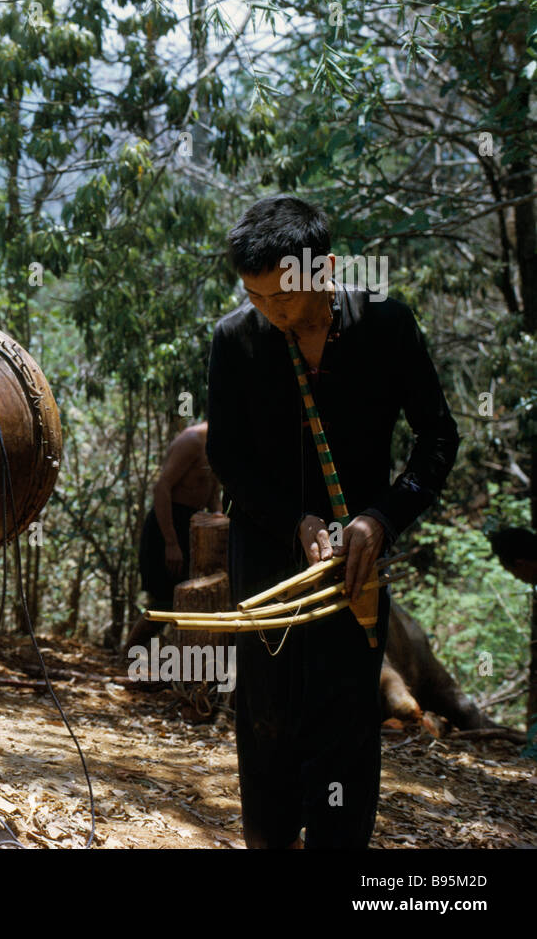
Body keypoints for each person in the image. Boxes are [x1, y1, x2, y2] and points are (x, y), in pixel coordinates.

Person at [206, 195, 458, 848]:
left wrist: (381, 518)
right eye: (256, 297)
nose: (272, 313)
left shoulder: (387, 327)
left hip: (356, 567)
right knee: (266, 721)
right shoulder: (235, 340)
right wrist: (294, 518)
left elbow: (437, 439)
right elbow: (226, 457)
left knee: (347, 724)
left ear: (326, 272)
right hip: (266, 558)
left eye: (283, 299)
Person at [130, 421, 220, 648]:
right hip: (168, 525)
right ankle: (128, 656)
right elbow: (161, 487)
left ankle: (178, 667)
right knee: (165, 602)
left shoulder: (218, 445)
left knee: (188, 600)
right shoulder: (192, 441)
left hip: (194, 527)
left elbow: (212, 492)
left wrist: (219, 519)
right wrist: (171, 542)